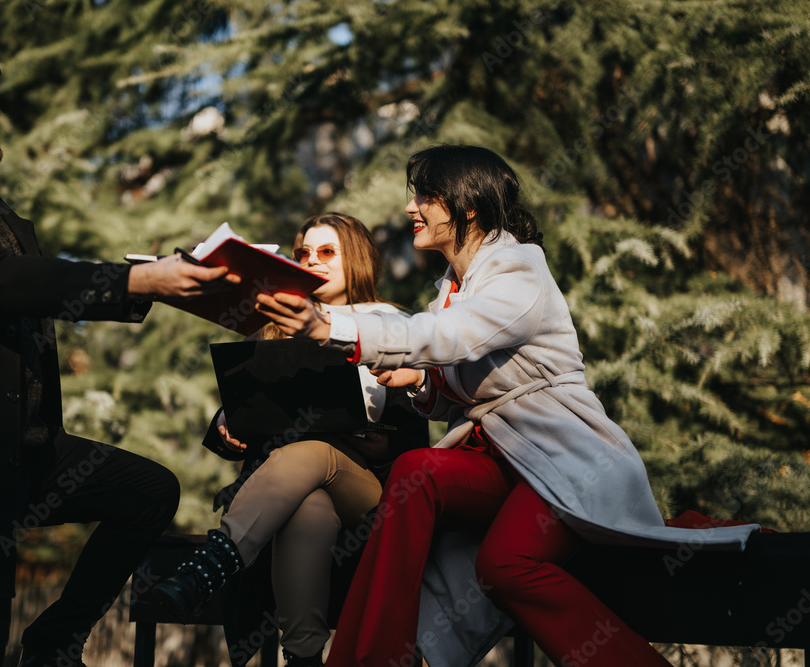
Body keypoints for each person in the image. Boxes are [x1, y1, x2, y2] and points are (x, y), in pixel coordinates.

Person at [254, 145, 759, 666]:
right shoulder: (450, 287)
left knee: (503, 564)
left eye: (426, 195)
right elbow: (452, 368)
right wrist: (418, 381)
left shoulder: (519, 269)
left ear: (467, 206)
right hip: (504, 460)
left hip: (563, 461)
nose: (411, 207)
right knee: (417, 470)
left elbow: (451, 336)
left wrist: (331, 326)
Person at [0, 42, 237, 667]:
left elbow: (26, 277)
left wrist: (154, 274)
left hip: (25, 453)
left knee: (146, 491)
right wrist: (136, 283)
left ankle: (54, 640)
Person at [153, 213, 428, 667]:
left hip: (368, 491)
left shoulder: (391, 323)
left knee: (311, 452)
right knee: (308, 506)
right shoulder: (276, 326)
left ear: (355, 259)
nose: (312, 261)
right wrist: (227, 420)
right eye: (303, 253)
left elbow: (417, 434)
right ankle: (303, 658)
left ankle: (208, 569)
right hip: (294, 495)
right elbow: (243, 421)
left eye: (326, 252)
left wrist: (383, 445)